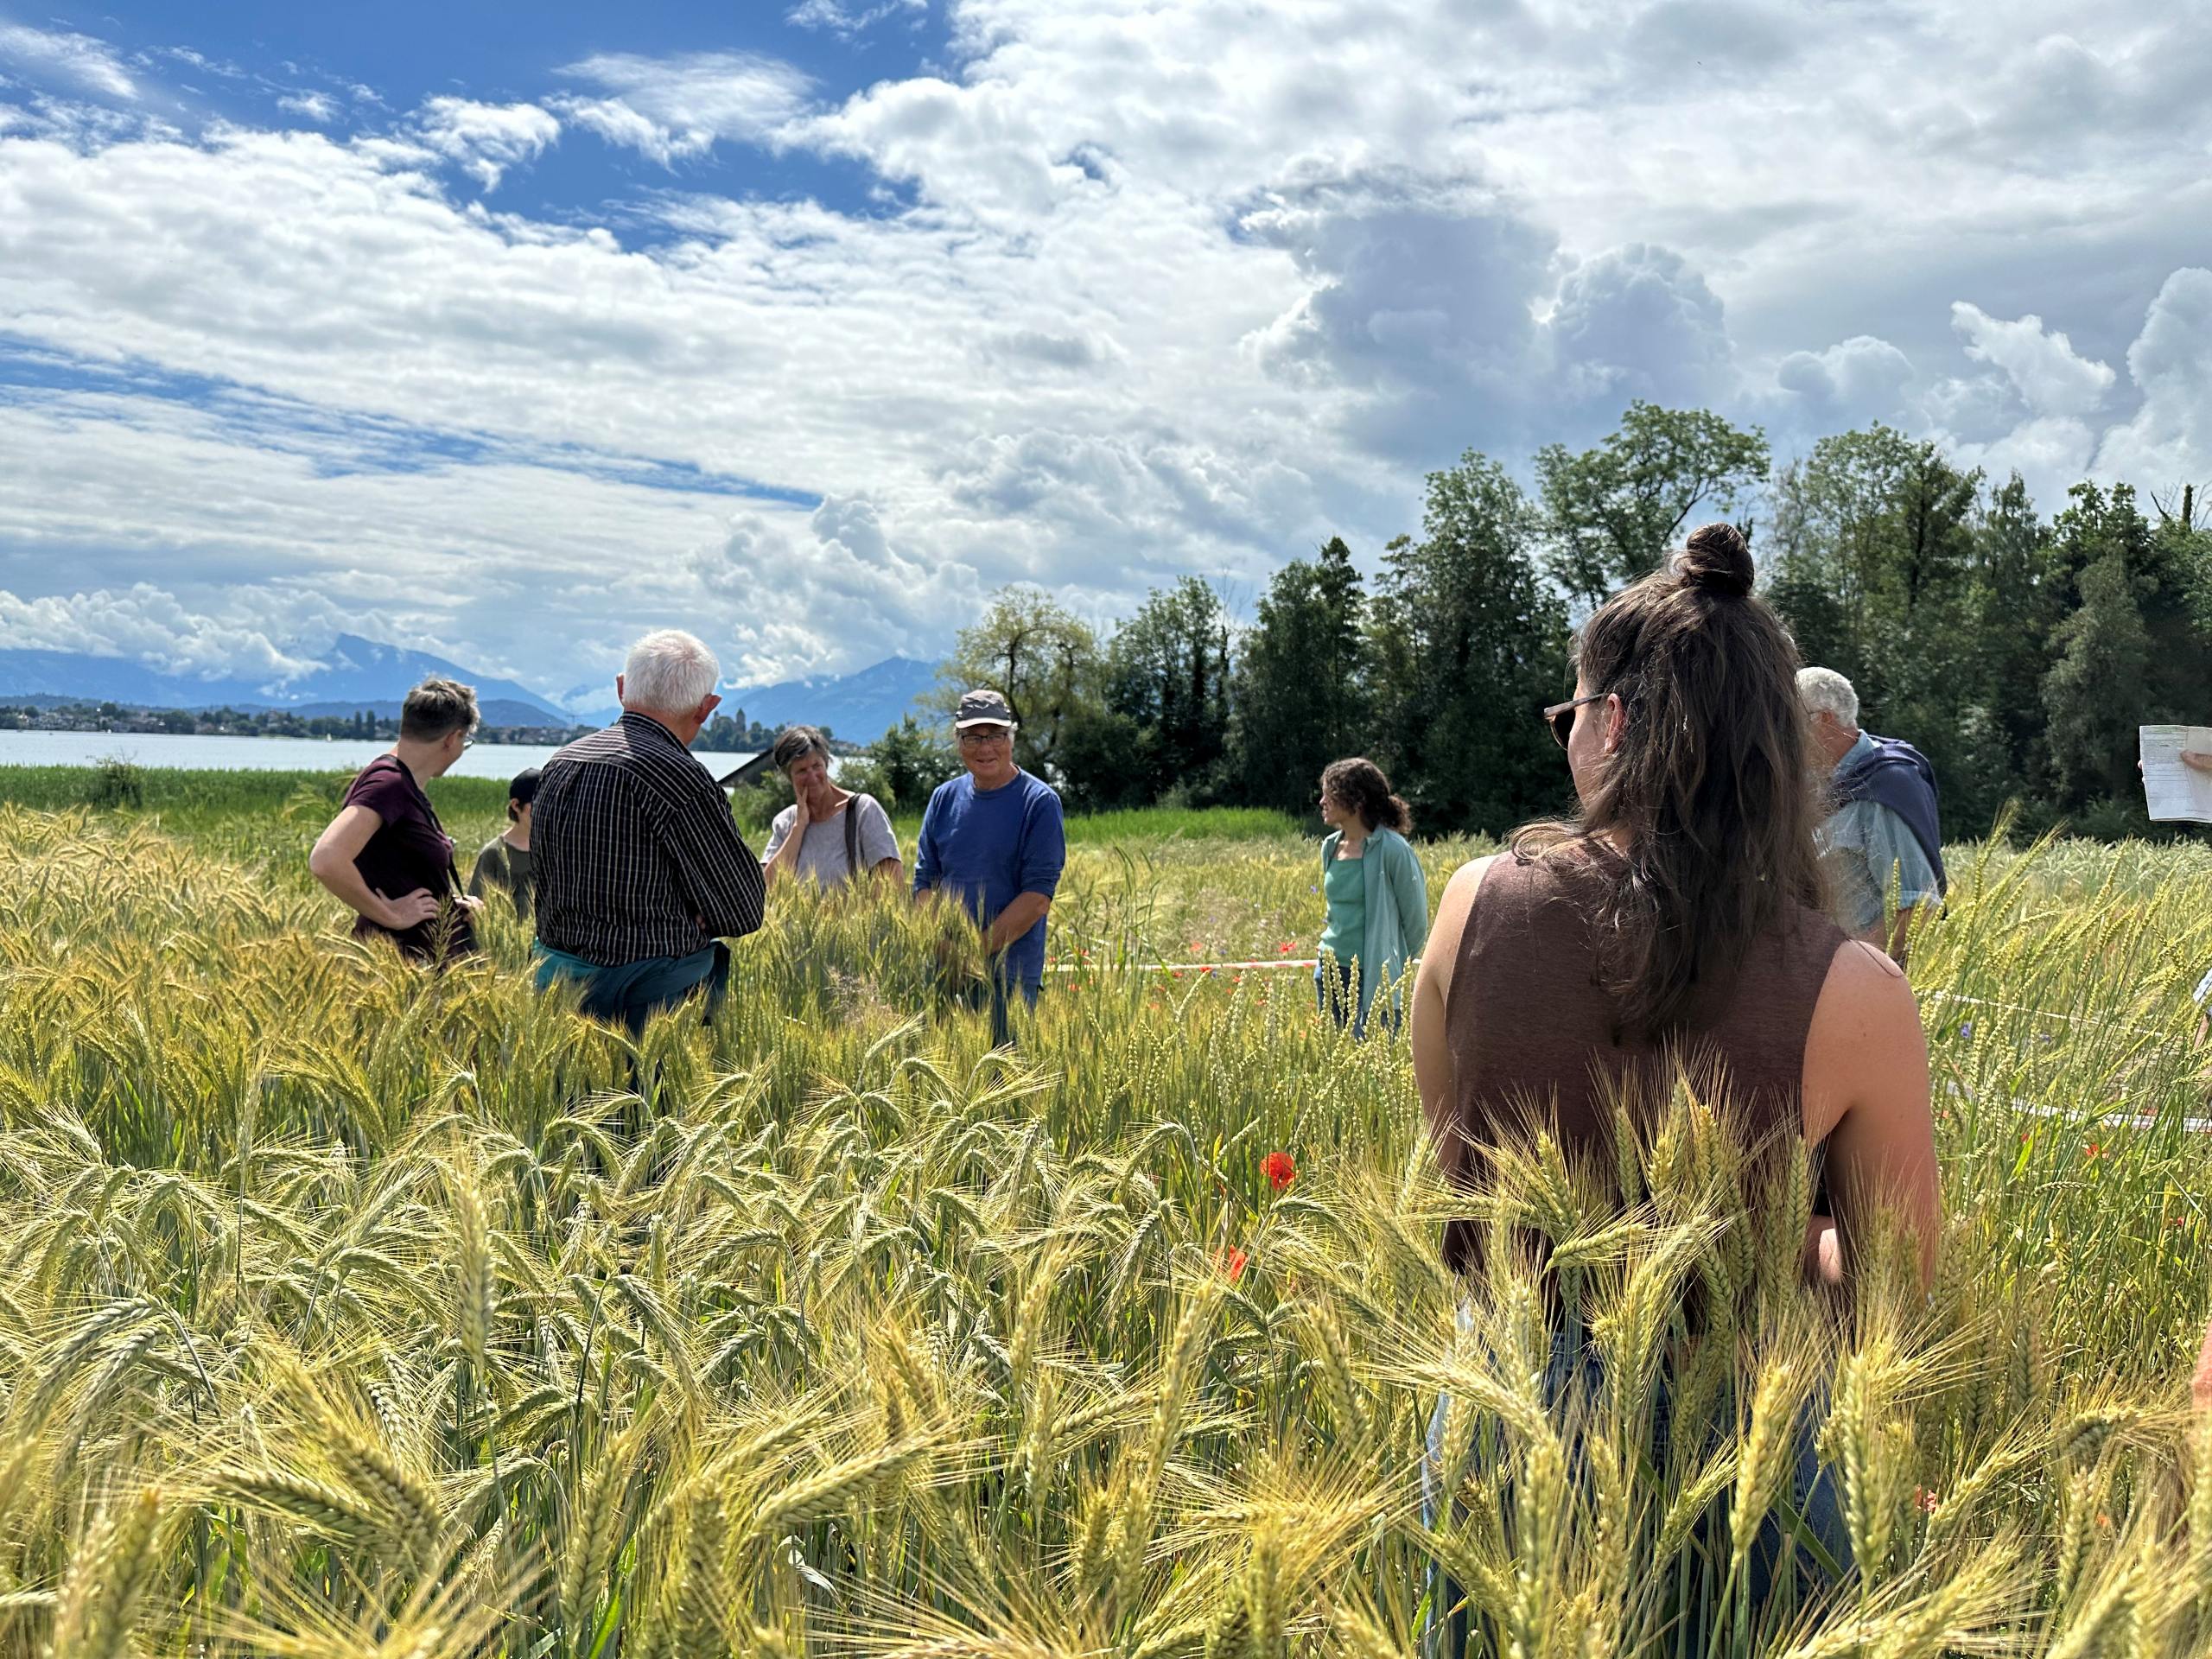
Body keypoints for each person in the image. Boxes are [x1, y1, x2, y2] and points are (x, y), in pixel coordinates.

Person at [1408, 524, 1939, 1644]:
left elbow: (1460, 1152)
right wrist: (1768, 1236)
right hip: (1741, 1427)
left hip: (1506, 1408)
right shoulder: (1857, 988)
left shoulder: (1470, 904)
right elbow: (1891, 1284)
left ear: (1608, 723)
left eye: (1569, 716)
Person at [531, 630, 766, 1038]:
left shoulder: (561, 762)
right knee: (650, 1104)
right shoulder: (680, 778)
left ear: (622, 689)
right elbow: (743, 910)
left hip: (554, 1001)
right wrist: (690, 915)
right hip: (648, 1015)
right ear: (706, 708)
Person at [912, 689, 1065, 1046]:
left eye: (995, 736)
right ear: (959, 742)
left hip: (1008, 978)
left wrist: (972, 953)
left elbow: (1037, 898)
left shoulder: (1039, 802)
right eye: (973, 737)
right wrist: (943, 949)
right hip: (944, 974)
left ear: (1011, 738)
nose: (985, 748)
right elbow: (924, 881)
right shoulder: (943, 798)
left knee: (1002, 1087)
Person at [308, 677, 482, 964]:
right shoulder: (388, 784)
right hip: (401, 963)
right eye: (466, 741)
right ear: (453, 738)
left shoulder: (402, 784)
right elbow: (326, 859)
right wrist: (391, 916)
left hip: (421, 961)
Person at [1798, 667, 1945, 965]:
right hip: (1812, 975)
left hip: (1855, 984)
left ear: (1824, 720)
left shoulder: (1883, 786)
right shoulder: (1819, 783)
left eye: (1791, 720)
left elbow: (1917, 904)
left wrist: (1863, 972)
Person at [1314, 757, 1429, 1038]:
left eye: (1331, 792)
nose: (1322, 801)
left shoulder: (1394, 850)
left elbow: (1416, 921)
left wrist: (1393, 966)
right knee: (1334, 1060)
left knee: (1371, 1065)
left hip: (1374, 976)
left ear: (1357, 800)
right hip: (1328, 970)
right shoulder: (1329, 847)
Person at [761, 726, 901, 888]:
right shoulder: (785, 822)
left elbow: (891, 881)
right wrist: (798, 827)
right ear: (789, 776)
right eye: (801, 771)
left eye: (816, 766)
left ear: (826, 764)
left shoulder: (862, 811)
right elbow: (766, 888)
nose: (812, 777)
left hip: (854, 914)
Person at [467, 767, 541, 921]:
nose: (544, 810)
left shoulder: (556, 848)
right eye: (537, 804)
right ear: (516, 805)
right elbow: (475, 909)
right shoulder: (493, 853)